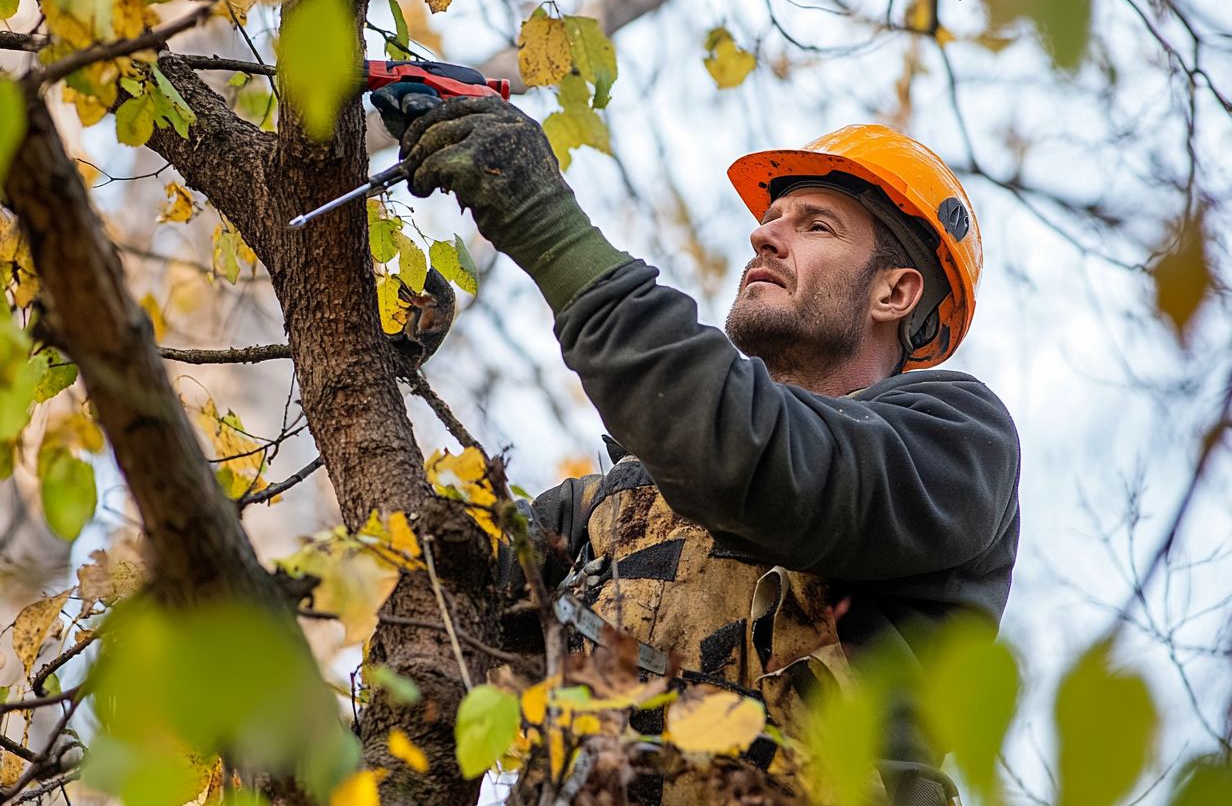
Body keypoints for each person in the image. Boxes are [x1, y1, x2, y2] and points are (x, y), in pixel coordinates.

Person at [375, 92, 1021, 805]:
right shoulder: (619, 507)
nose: (764, 238)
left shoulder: (957, 441)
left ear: (895, 292)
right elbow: (430, 586)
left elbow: (753, 458)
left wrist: (543, 224)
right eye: (770, 220)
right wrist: (378, 372)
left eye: (815, 226)